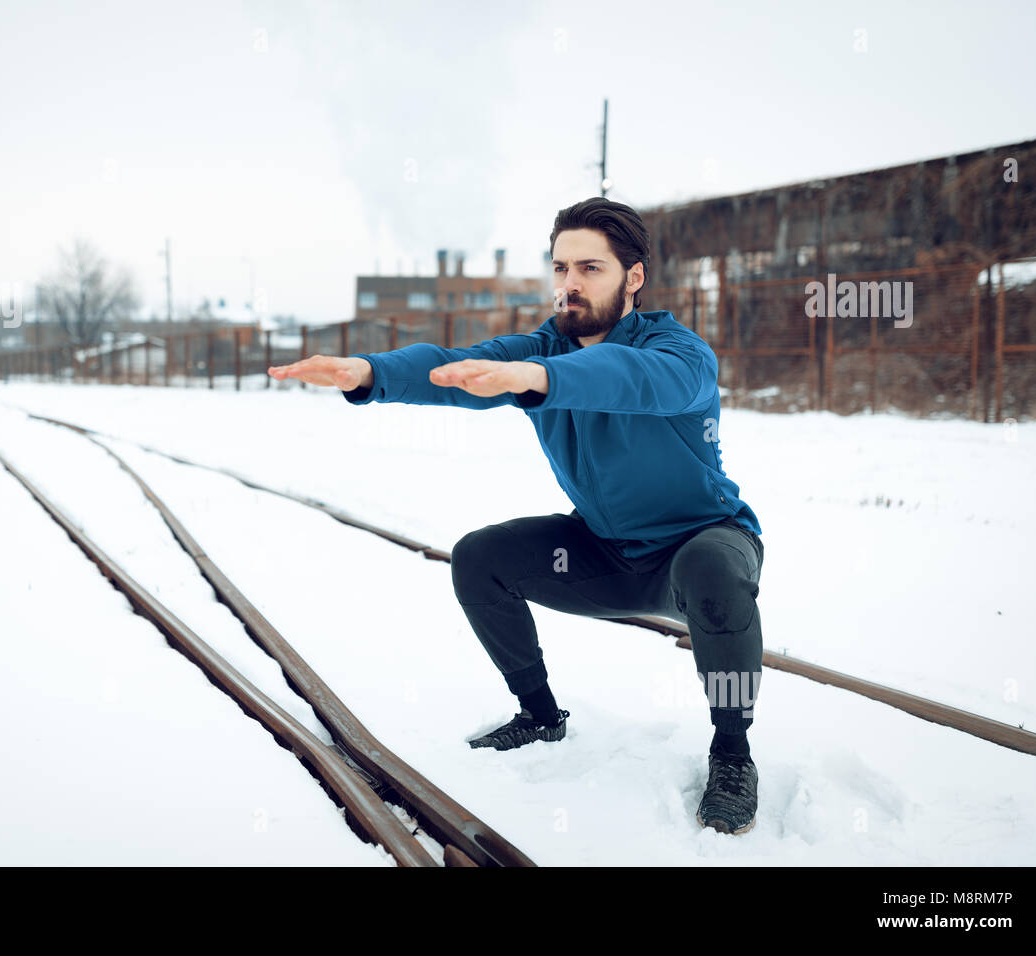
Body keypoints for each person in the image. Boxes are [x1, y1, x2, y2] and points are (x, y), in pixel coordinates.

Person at [268, 197, 764, 836]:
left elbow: (624, 377)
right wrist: (371, 372)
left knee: (712, 571)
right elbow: (456, 365)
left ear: (633, 278)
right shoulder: (541, 348)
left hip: (704, 545)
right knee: (480, 558)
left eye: (590, 268)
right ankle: (539, 715)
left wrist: (535, 376)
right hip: (607, 555)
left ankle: (732, 752)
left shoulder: (680, 353)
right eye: (561, 268)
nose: (569, 285)